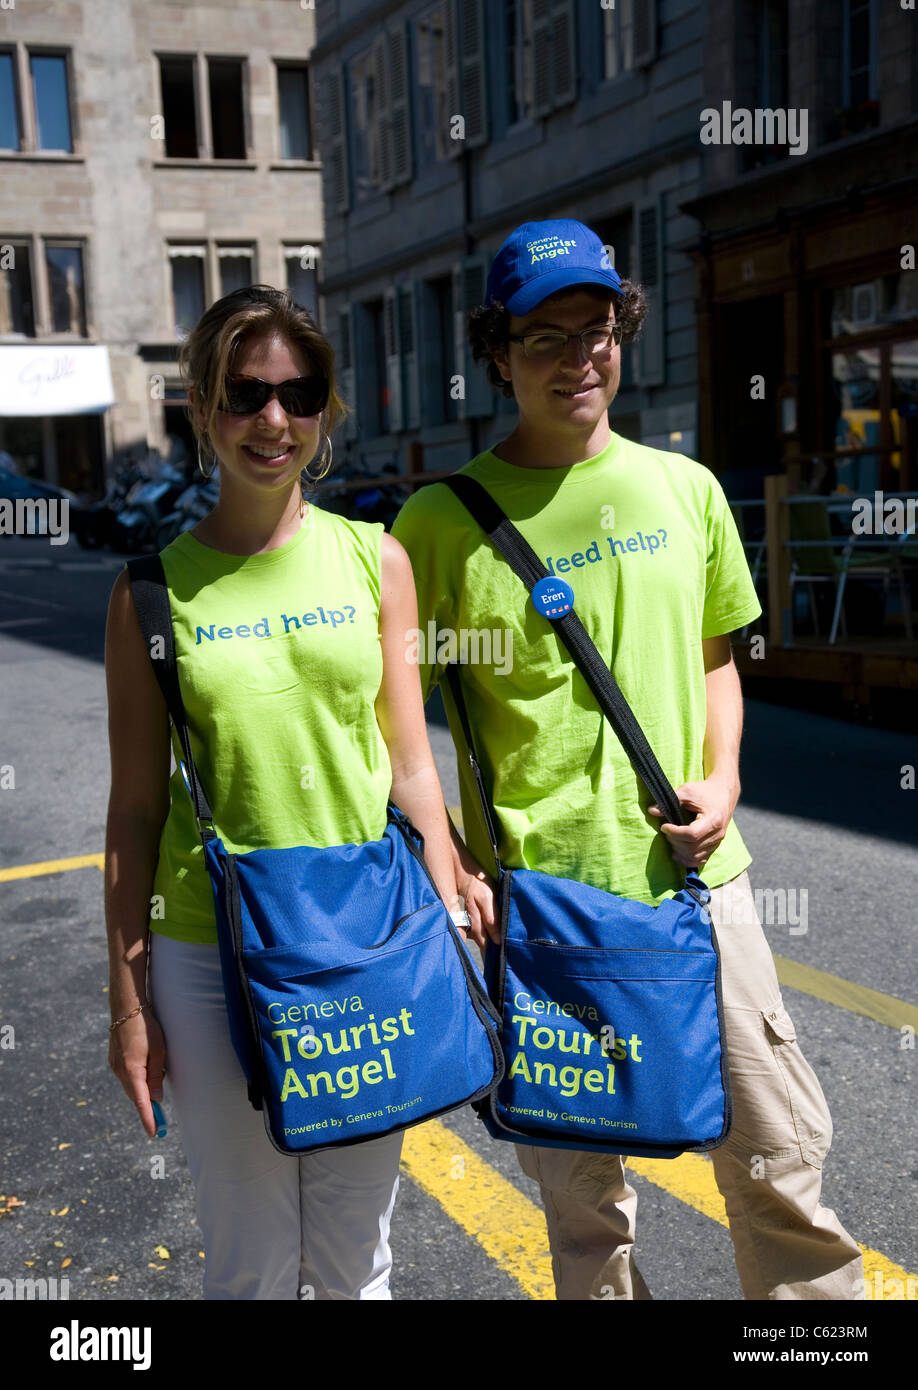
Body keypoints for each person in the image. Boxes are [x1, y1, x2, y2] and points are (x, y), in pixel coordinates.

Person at [391, 219, 864, 1301]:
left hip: (695, 884)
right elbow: (394, 720)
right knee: (582, 1205)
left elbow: (716, 664)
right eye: (545, 337)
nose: (578, 357)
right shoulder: (437, 525)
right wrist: (447, 862)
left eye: (597, 330)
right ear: (499, 355)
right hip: (541, 905)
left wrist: (728, 777)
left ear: (625, 334)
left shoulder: (684, 490)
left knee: (776, 1154)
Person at [103, 284, 468, 1300]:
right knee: (251, 1257)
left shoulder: (374, 559)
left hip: (362, 938)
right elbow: (134, 809)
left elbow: (411, 766)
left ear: (325, 409)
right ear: (202, 409)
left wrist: (443, 922)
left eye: (299, 393)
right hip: (208, 951)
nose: (274, 420)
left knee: (360, 1250)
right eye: (244, 394)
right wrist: (129, 1003)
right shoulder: (149, 592)